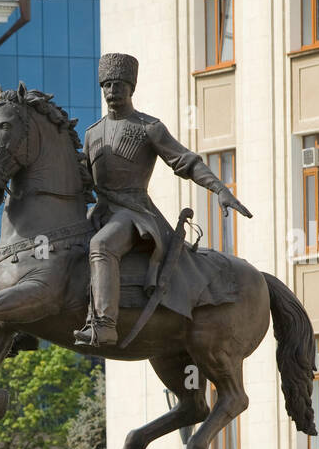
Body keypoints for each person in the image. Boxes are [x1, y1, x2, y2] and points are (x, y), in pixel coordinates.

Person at [74, 52, 253, 348]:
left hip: (134, 214)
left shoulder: (148, 127)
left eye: (119, 85)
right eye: (106, 85)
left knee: (101, 246)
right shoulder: (93, 133)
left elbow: (186, 161)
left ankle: (104, 324)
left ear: (131, 88)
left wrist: (220, 189)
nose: (112, 92)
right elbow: (83, 178)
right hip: (101, 212)